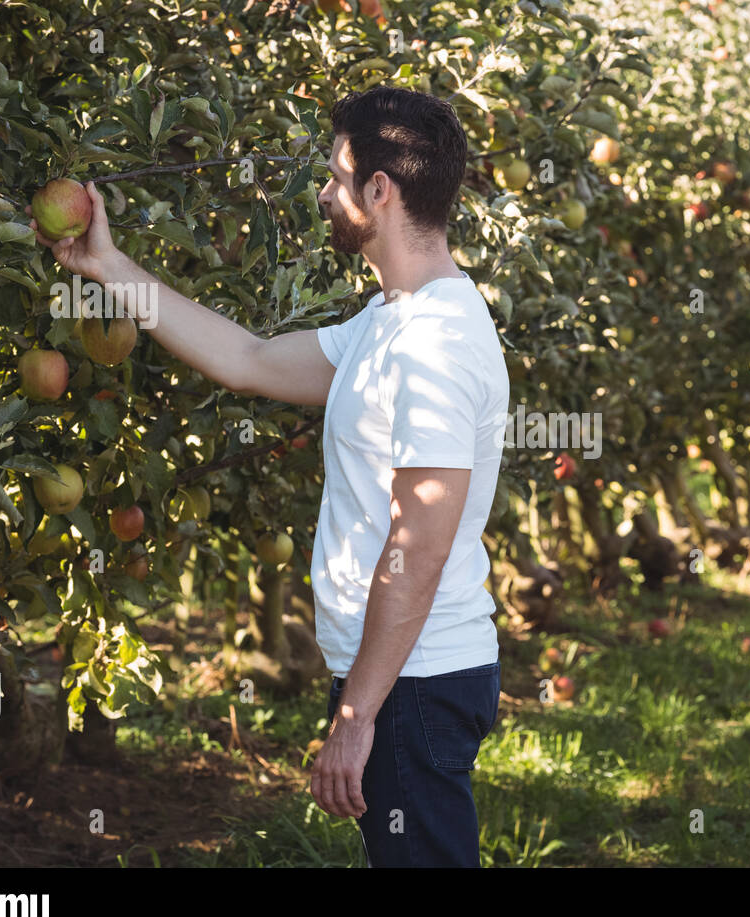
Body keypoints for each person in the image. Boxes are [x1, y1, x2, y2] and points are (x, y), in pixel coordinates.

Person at [31, 86, 509, 867]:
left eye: (334, 177)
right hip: (398, 673)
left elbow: (418, 545)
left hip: (413, 678)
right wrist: (108, 265)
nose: (322, 194)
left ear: (378, 191)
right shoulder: (390, 322)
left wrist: (357, 716)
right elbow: (248, 359)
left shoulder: (436, 344)